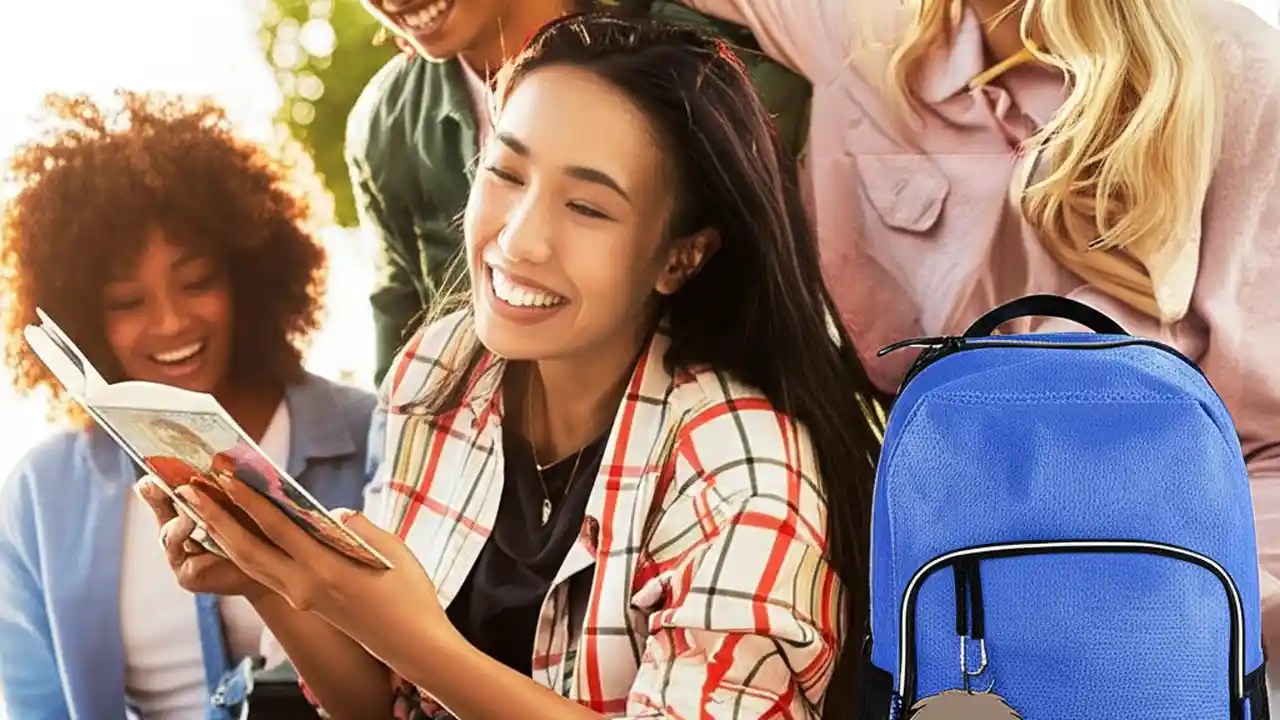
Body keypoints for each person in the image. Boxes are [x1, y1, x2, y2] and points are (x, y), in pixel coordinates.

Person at [141, 14, 884, 720]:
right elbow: (375, 704)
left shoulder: (740, 465)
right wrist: (276, 581)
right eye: (506, 173)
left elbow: (414, 657)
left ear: (680, 256)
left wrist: (416, 641)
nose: (520, 240)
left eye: (588, 208)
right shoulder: (436, 372)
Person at [675, 0, 1280, 664]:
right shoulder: (864, 26)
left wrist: (1160, 616)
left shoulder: (1240, 75)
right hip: (925, 584)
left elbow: (1270, 442)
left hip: (1154, 604)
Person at [0, 92, 378, 719]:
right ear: (85, 316)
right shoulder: (43, 496)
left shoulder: (371, 438)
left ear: (247, 276)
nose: (171, 322)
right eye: (128, 302)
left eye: (197, 282)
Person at [349, 0, 813, 384]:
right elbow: (400, 356)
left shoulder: (714, 69)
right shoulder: (386, 125)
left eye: (587, 206)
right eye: (505, 175)